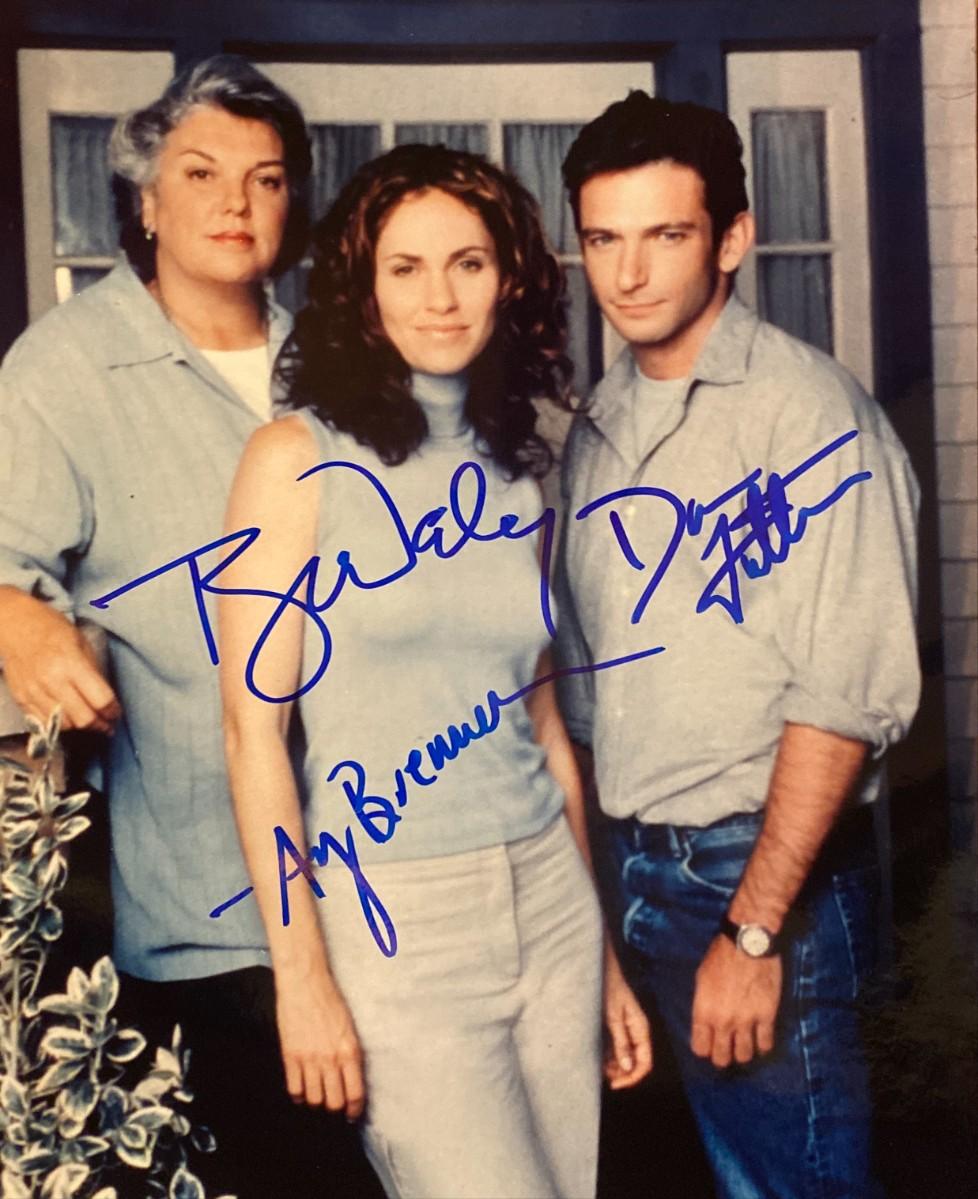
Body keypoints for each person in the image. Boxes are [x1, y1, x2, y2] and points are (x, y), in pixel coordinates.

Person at [216, 142, 652, 1199]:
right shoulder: (294, 459)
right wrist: (304, 976)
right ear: (362, 288)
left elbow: (542, 726)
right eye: (404, 267)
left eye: (467, 262)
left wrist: (599, 954)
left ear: (510, 277)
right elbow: (251, 731)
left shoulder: (517, 470)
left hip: (548, 898)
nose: (441, 296)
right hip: (394, 919)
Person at [0, 55, 383, 1198]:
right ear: (145, 201)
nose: (235, 202)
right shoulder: (62, 367)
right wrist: (20, 617)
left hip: (390, 860)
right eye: (202, 173)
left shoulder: (348, 353)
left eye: (266, 179)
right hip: (208, 892)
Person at [554, 91, 921, 1199]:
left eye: (665, 235)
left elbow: (841, 699)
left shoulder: (812, 418)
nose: (628, 274)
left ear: (733, 238)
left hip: (761, 878)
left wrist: (754, 932)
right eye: (603, 240)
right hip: (630, 868)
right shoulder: (600, 418)